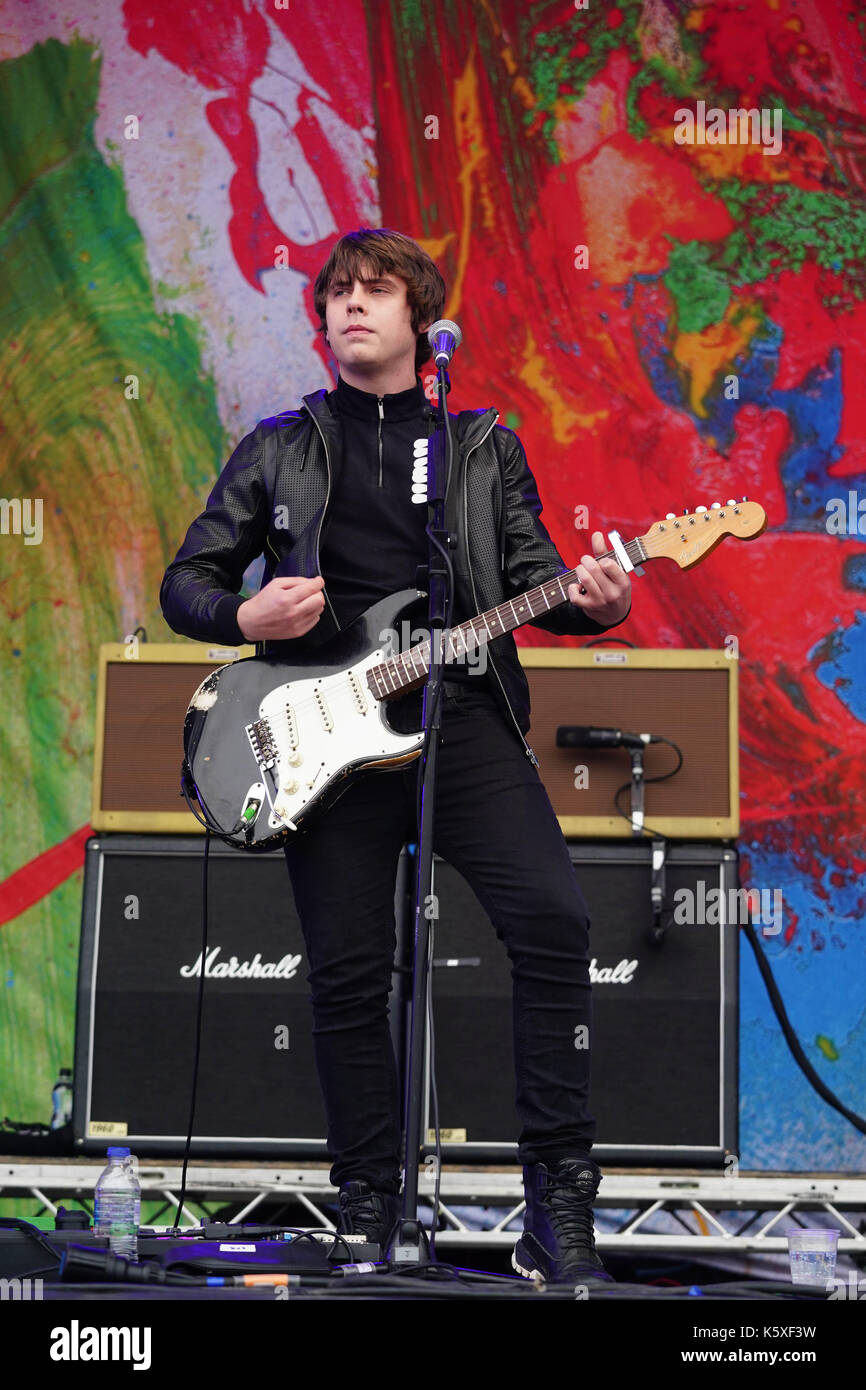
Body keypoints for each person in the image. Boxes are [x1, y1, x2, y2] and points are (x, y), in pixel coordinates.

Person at [160, 227, 632, 1284]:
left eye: (375, 292)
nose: (350, 307)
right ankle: (366, 1205)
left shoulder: (480, 444)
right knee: (345, 975)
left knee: (554, 922)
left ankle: (556, 1202)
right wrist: (249, 606)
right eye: (335, 294)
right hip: (320, 739)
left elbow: (536, 575)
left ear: (423, 321)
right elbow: (185, 582)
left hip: (457, 722)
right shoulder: (278, 445)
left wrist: (597, 604)